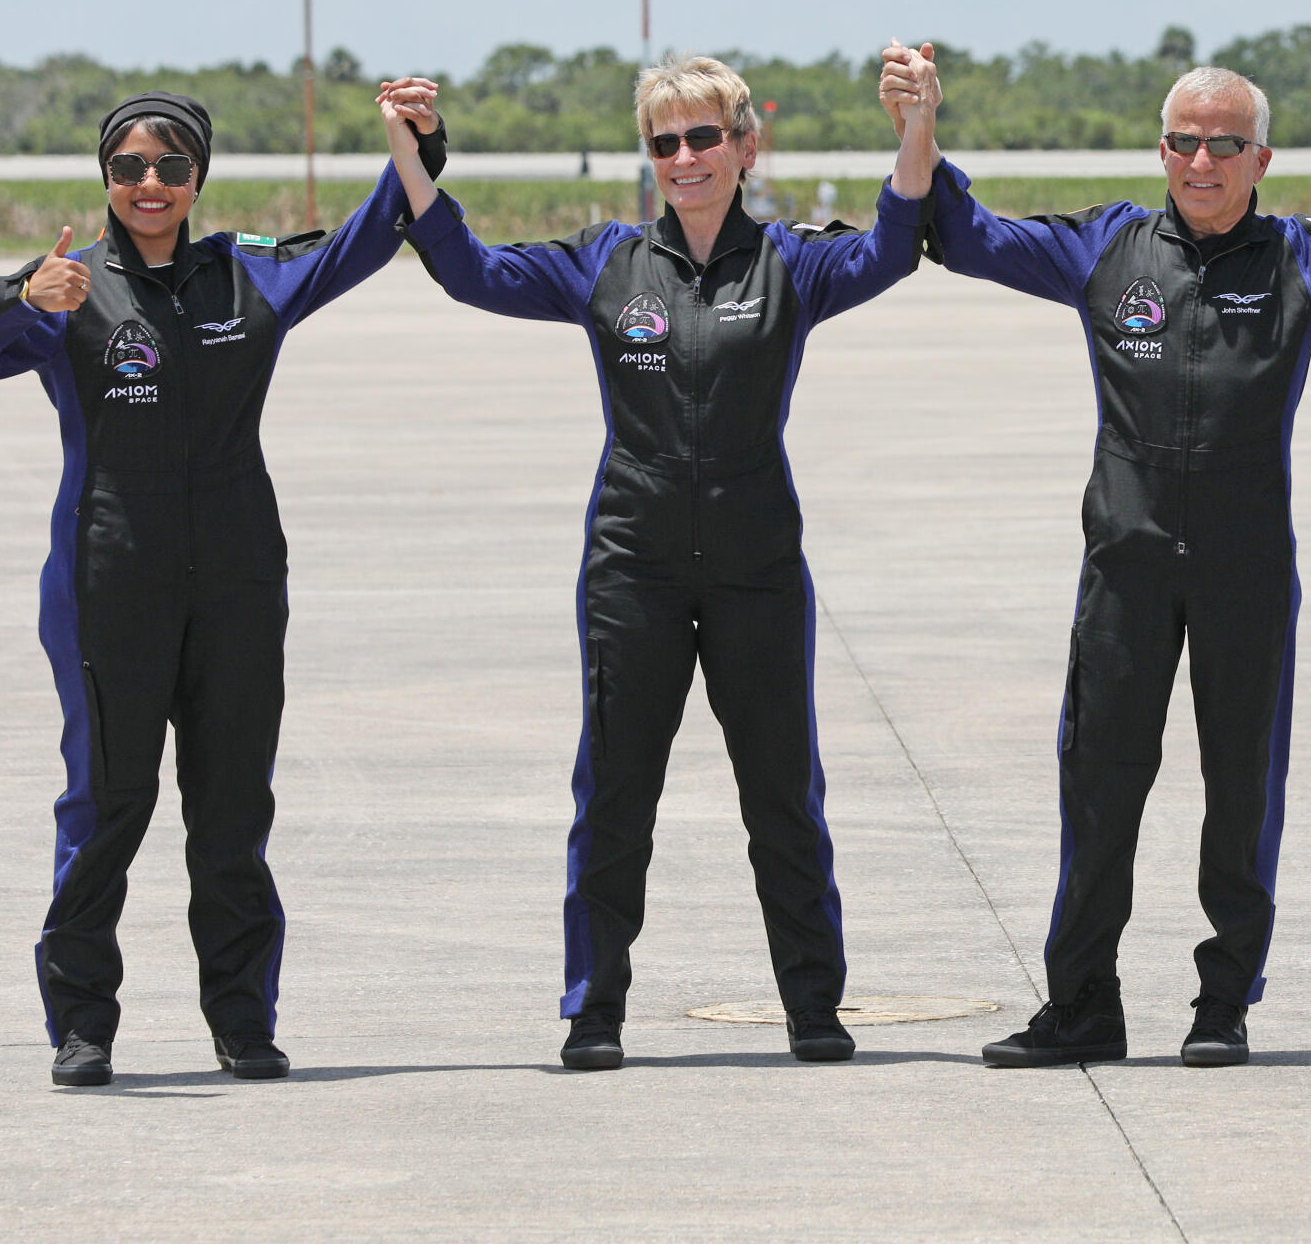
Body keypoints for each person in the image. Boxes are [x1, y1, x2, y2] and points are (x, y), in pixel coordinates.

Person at [877, 43, 1311, 1068]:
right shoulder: (1107, 249)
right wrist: (918, 123)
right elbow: (963, 236)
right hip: (1125, 571)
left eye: (1222, 144)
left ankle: (1221, 1001)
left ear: (1258, 157)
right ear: (1160, 150)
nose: (1200, 161)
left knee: (1240, 790)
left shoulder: (1298, 260)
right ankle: (1082, 1004)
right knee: (1097, 787)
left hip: (1243, 574)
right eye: (1183, 142)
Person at [377, 56, 933, 1071]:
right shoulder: (606, 265)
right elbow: (467, 269)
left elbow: (895, 246)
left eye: (703, 138)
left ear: (744, 145)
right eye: (664, 143)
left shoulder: (792, 265)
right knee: (617, 790)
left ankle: (814, 1003)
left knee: (781, 792)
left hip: (755, 566)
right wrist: (412, 157)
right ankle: (593, 1008)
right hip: (631, 566)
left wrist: (914, 125)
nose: (684, 159)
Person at [0, 88, 448, 1086]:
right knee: (108, 803)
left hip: (239, 579)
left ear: (198, 176)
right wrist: (19, 298)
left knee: (232, 806)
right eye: (128, 167)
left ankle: (243, 1021)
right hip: (108, 581)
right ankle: (82, 1023)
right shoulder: (68, 287)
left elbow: (370, 237)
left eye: (169, 167)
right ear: (105, 178)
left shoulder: (247, 273)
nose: (149, 184)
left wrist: (418, 145)